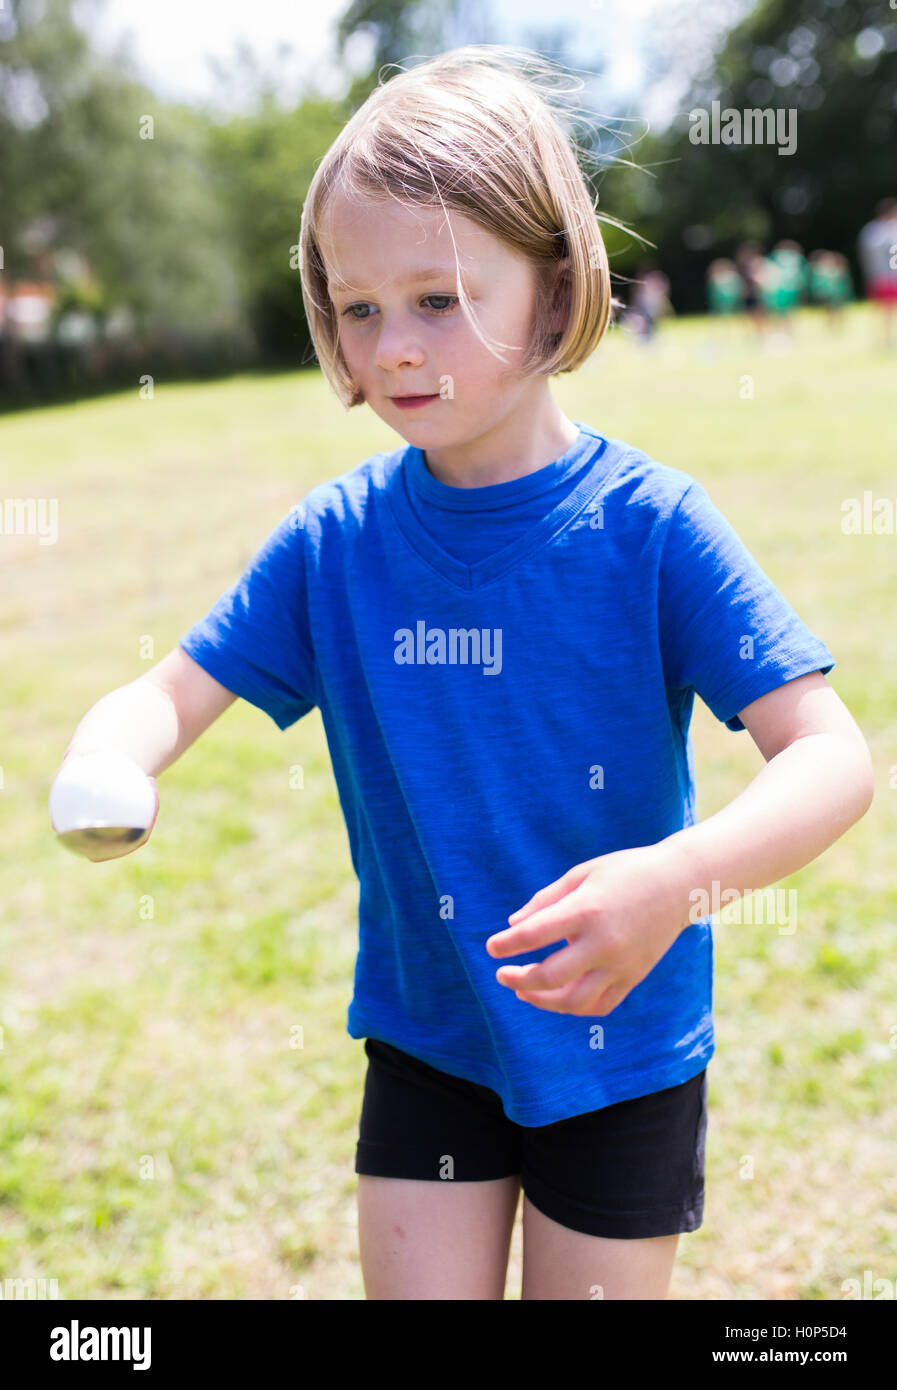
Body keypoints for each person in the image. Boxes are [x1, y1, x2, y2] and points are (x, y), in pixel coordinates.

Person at [53, 44, 874, 1301]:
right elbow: (165, 693)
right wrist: (111, 755)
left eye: (439, 299)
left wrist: (680, 879)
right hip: (429, 1039)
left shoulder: (652, 525)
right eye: (358, 305)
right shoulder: (336, 541)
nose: (391, 346)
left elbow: (831, 756)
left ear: (553, 290)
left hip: (621, 1043)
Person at [857, 197, 897, 348]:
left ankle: (885, 338)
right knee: (884, 309)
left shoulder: (871, 230)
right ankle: (884, 339)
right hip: (884, 277)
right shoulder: (879, 231)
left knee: (885, 309)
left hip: (882, 276)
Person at [808, 250, 853, 330]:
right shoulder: (820, 272)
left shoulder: (838, 271)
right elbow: (817, 285)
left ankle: (840, 325)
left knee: (839, 310)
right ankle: (831, 326)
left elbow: (844, 283)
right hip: (827, 296)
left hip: (838, 295)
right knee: (828, 311)